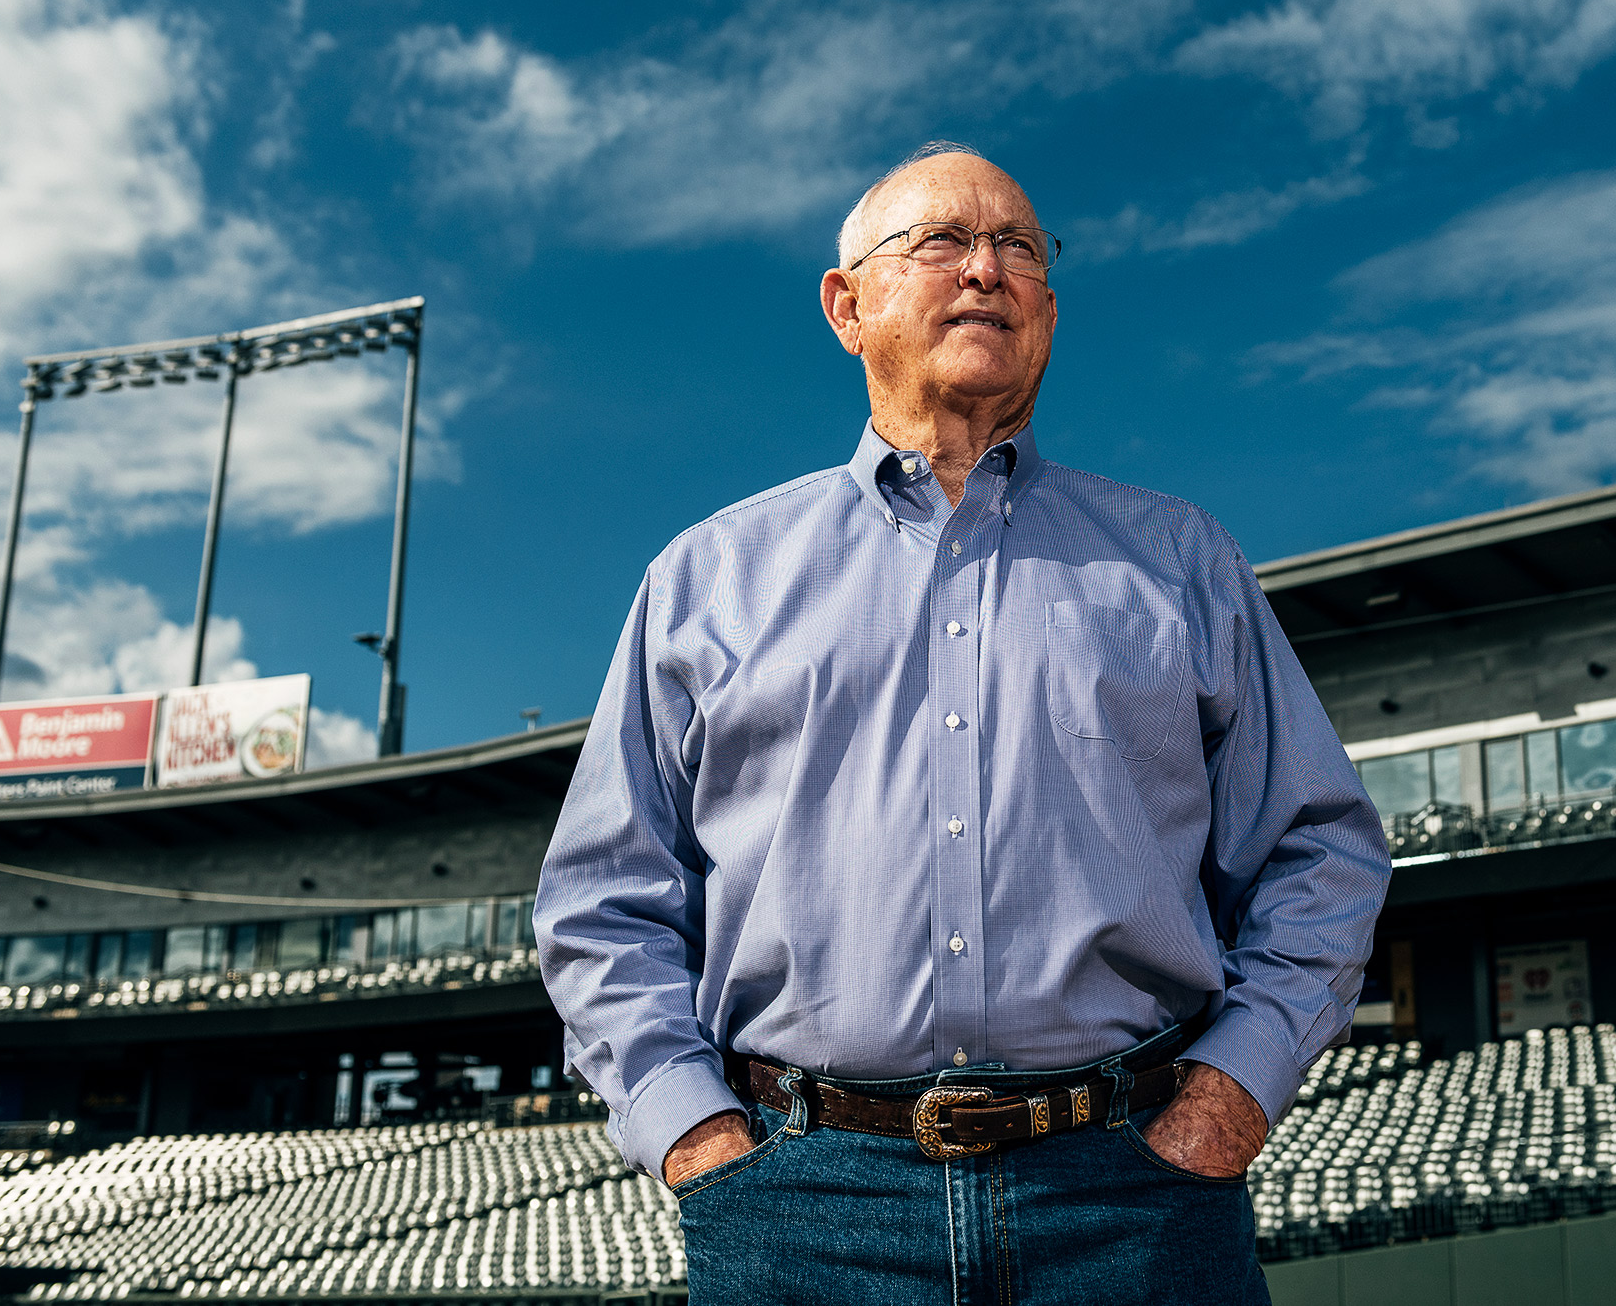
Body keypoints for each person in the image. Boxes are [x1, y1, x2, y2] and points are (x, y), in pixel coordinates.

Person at [537, 142, 1391, 1305]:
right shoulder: (708, 579)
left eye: (1020, 250)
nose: (987, 270)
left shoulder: (1181, 560)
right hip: (802, 1207)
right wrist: (695, 1139)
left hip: (1133, 1197)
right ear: (848, 306)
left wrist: (1227, 1101)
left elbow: (1319, 852)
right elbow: (602, 901)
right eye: (943, 242)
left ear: (1048, 305)